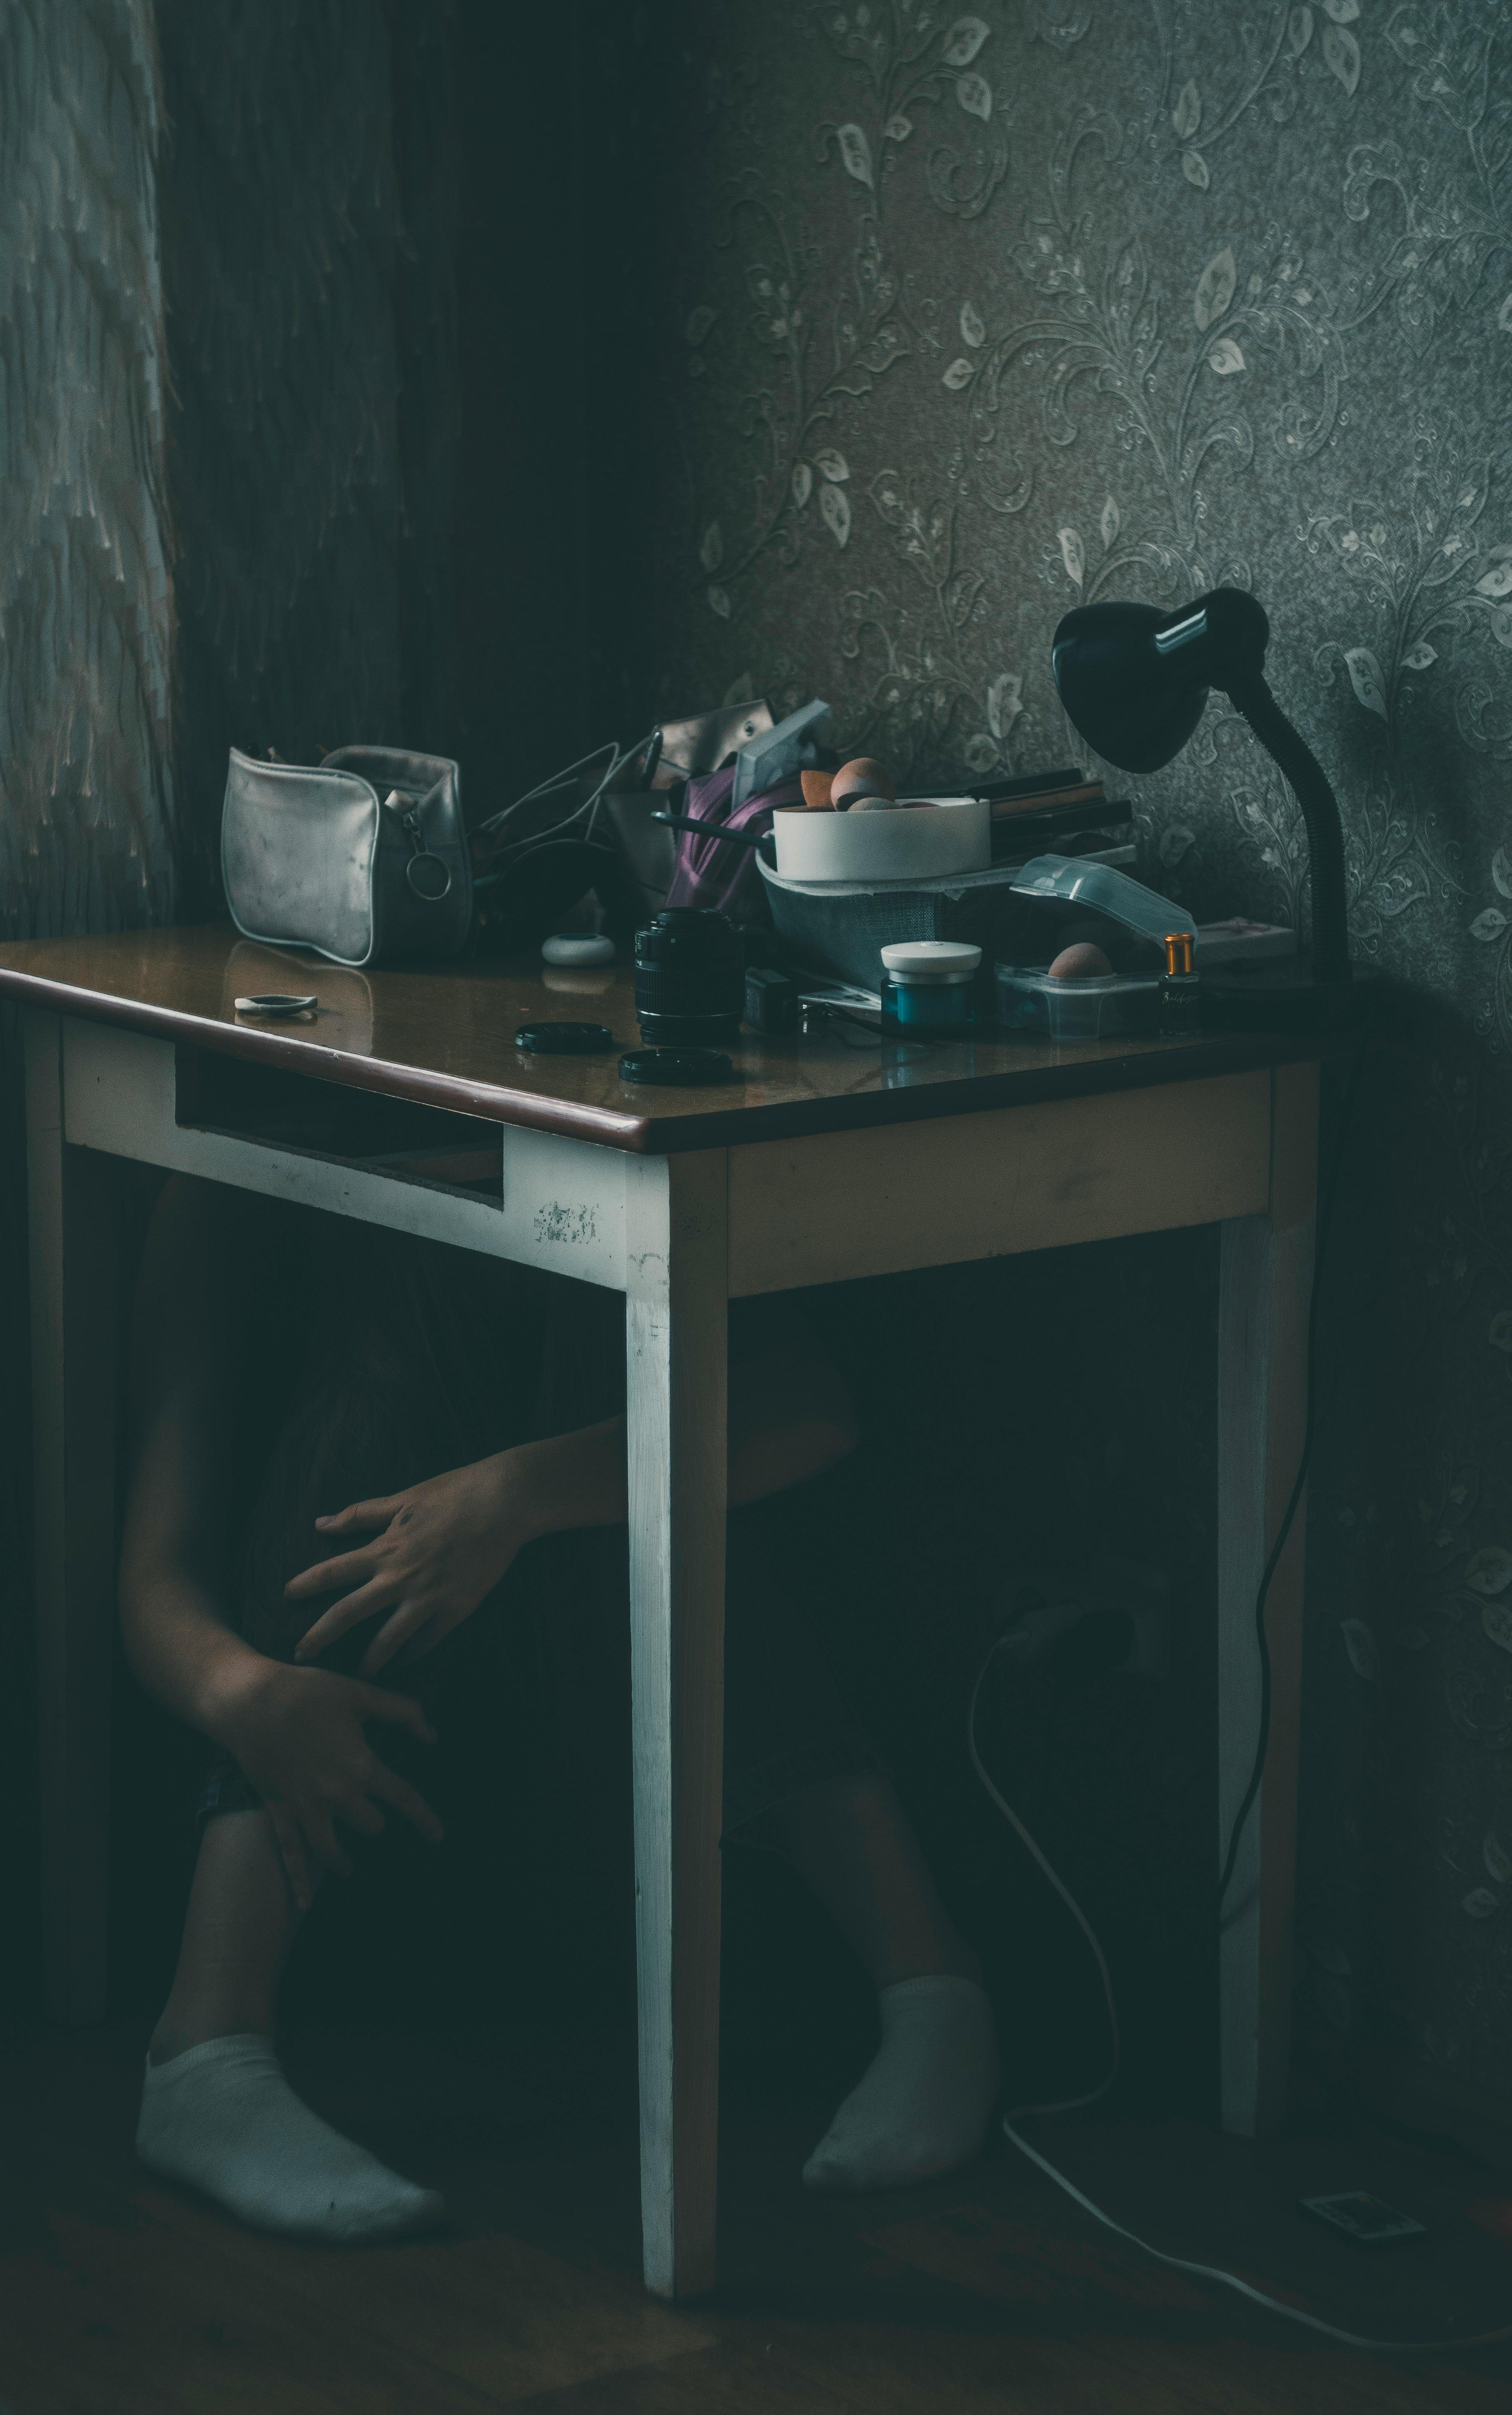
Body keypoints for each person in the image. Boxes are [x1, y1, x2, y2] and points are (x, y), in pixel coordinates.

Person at [119, 1175, 1000, 2243]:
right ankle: (206, 2041)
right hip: (361, 1811)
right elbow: (155, 1578)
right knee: (398, 1376)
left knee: (619, 1340)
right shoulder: (232, 1182)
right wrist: (248, 1696)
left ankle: (932, 1987)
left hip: (634, 1805)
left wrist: (510, 1501)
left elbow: (815, 1411)